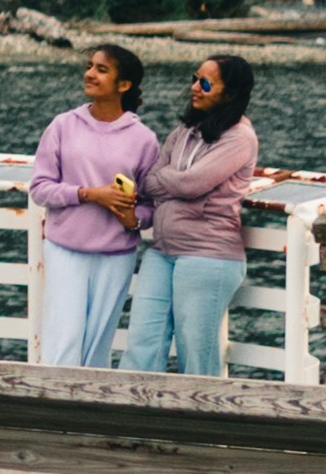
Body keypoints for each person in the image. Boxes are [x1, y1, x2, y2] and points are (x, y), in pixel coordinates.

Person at [130, 49, 262, 374]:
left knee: (195, 350)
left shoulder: (240, 138)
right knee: (142, 340)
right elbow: (147, 182)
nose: (194, 87)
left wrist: (170, 180)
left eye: (205, 84)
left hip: (209, 255)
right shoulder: (184, 131)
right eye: (195, 79)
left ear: (229, 94)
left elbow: (192, 184)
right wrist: (173, 181)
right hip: (162, 250)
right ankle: (135, 419)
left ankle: (201, 420)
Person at [29, 42, 149, 372]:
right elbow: (40, 189)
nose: (89, 74)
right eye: (89, 66)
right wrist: (90, 194)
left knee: (98, 343)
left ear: (123, 85)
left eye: (101, 69)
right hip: (65, 248)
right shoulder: (62, 126)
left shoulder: (144, 139)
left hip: (117, 254)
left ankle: (88, 421)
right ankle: (54, 414)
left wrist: (132, 217)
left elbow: (151, 206)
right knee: (63, 339)